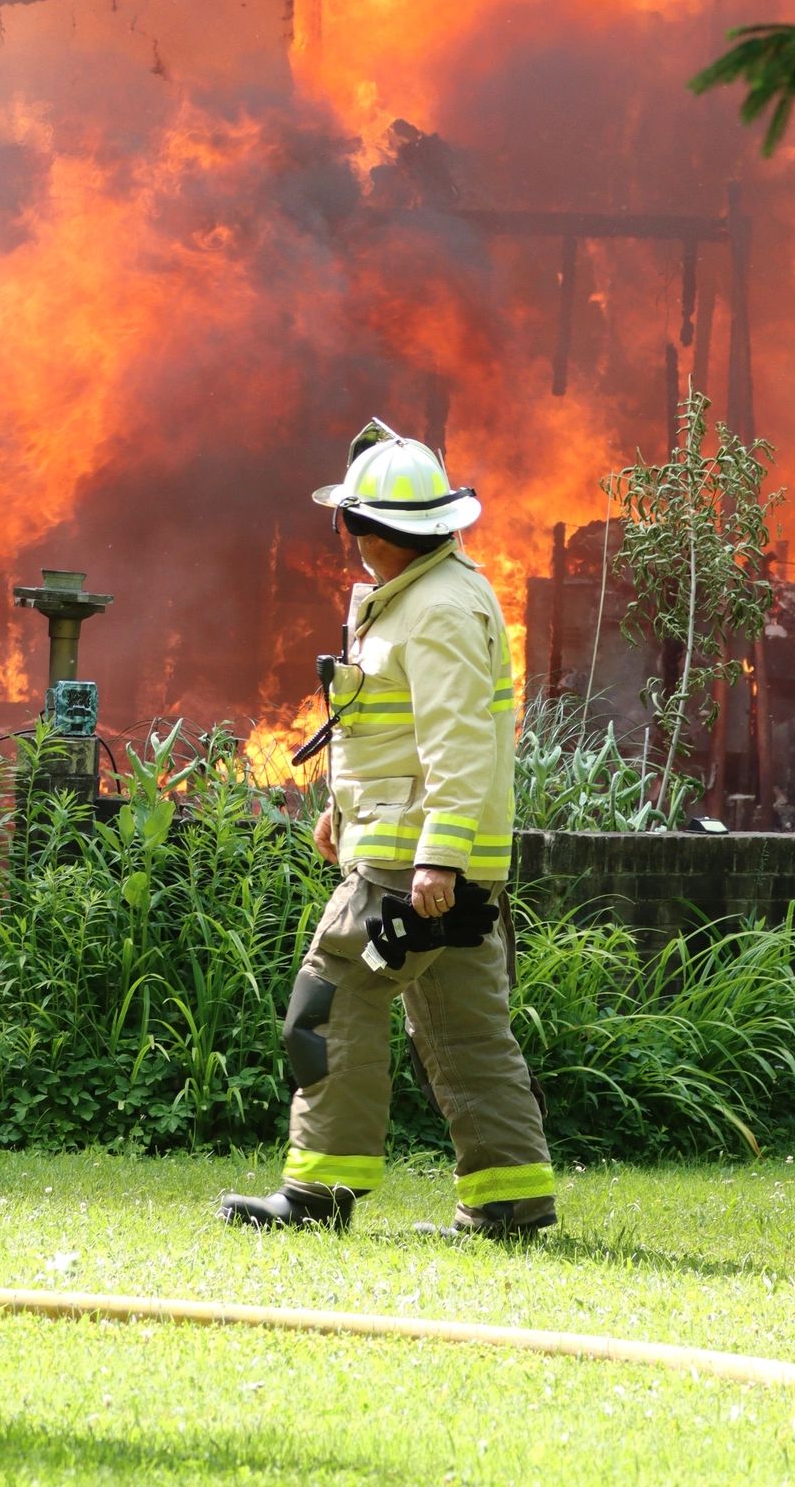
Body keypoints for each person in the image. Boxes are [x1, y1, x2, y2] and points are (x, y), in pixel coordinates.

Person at [220, 422, 555, 1241]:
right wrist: (342, 803)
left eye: (351, 523)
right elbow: (390, 728)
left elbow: (458, 744)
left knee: (329, 1002)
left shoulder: (432, 610)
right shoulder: (423, 598)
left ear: (365, 529)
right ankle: (509, 1201)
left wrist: (434, 858)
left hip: (413, 865)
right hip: (437, 860)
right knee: (467, 1028)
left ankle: (315, 1194)